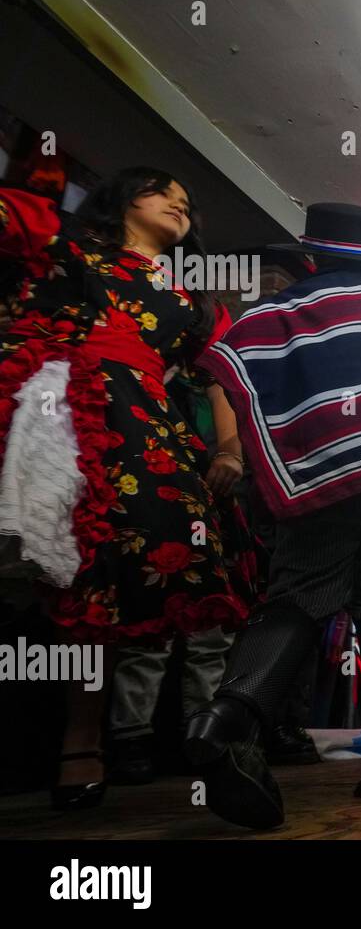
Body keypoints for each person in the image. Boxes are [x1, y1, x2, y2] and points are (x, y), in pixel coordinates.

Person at [184, 196, 361, 829]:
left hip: (319, 477)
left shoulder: (275, 313)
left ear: (311, 256)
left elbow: (231, 369)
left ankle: (225, 719)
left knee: (299, 598)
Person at [0, 168, 252, 809]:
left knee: (116, 582)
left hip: (142, 426)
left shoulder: (193, 300)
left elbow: (223, 376)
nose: (178, 203)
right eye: (162, 190)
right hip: (59, 410)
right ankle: (75, 743)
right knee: (53, 569)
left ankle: (92, 742)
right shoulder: (71, 245)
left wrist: (229, 449)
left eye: (187, 201)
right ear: (122, 199)